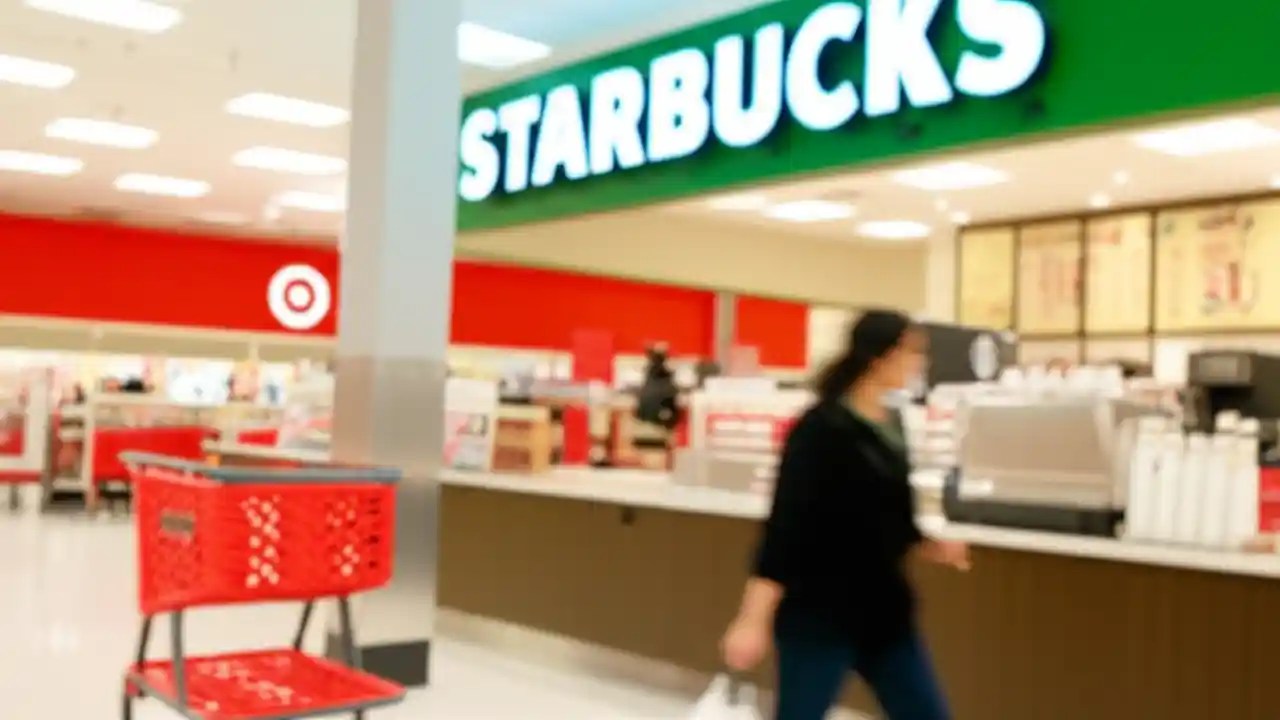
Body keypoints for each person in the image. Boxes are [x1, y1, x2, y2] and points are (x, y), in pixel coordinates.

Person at [721, 309, 970, 720]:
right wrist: (752, 620)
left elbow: (890, 517)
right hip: (820, 614)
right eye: (913, 352)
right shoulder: (820, 430)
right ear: (880, 357)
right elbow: (786, 530)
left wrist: (932, 545)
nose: (920, 363)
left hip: (885, 613)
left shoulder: (894, 424)